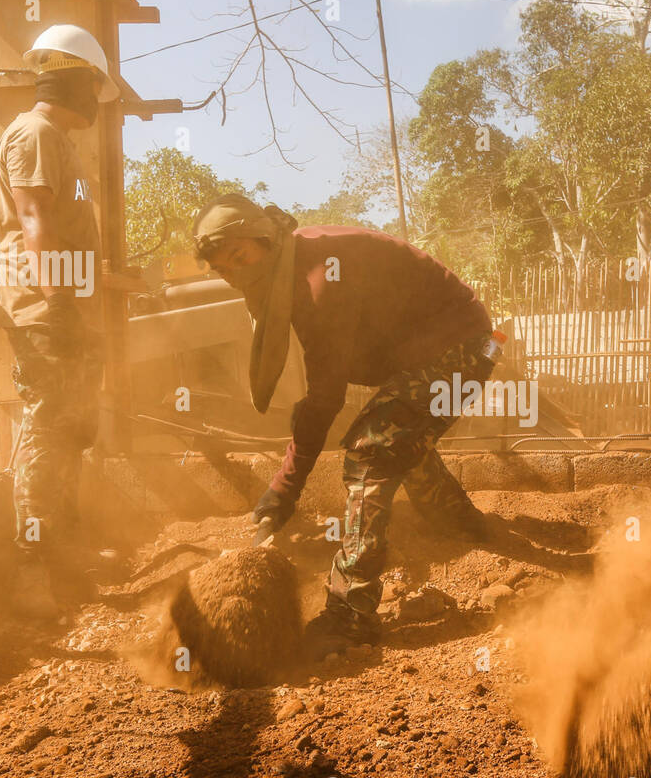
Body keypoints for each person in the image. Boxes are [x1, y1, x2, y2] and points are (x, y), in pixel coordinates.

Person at [192, 196, 495, 659]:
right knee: (395, 435)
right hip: (424, 353)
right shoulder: (294, 262)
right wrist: (289, 473)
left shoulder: (317, 280)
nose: (235, 273)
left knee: (371, 449)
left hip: (462, 347)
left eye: (240, 256)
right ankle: (460, 522)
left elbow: (327, 396)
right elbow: (322, 391)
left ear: (265, 239)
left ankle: (351, 614)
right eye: (223, 267)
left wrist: (285, 487)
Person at [0, 23, 119, 608]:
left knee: (69, 428)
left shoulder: (53, 138)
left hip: (61, 306)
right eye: (93, 83)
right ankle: (32, 566)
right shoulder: (37, 132)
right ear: (72, 79)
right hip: (46, 308)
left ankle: (62, 555)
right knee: (47, 428)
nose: (96, 97)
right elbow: (35, 218)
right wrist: (60, 299)